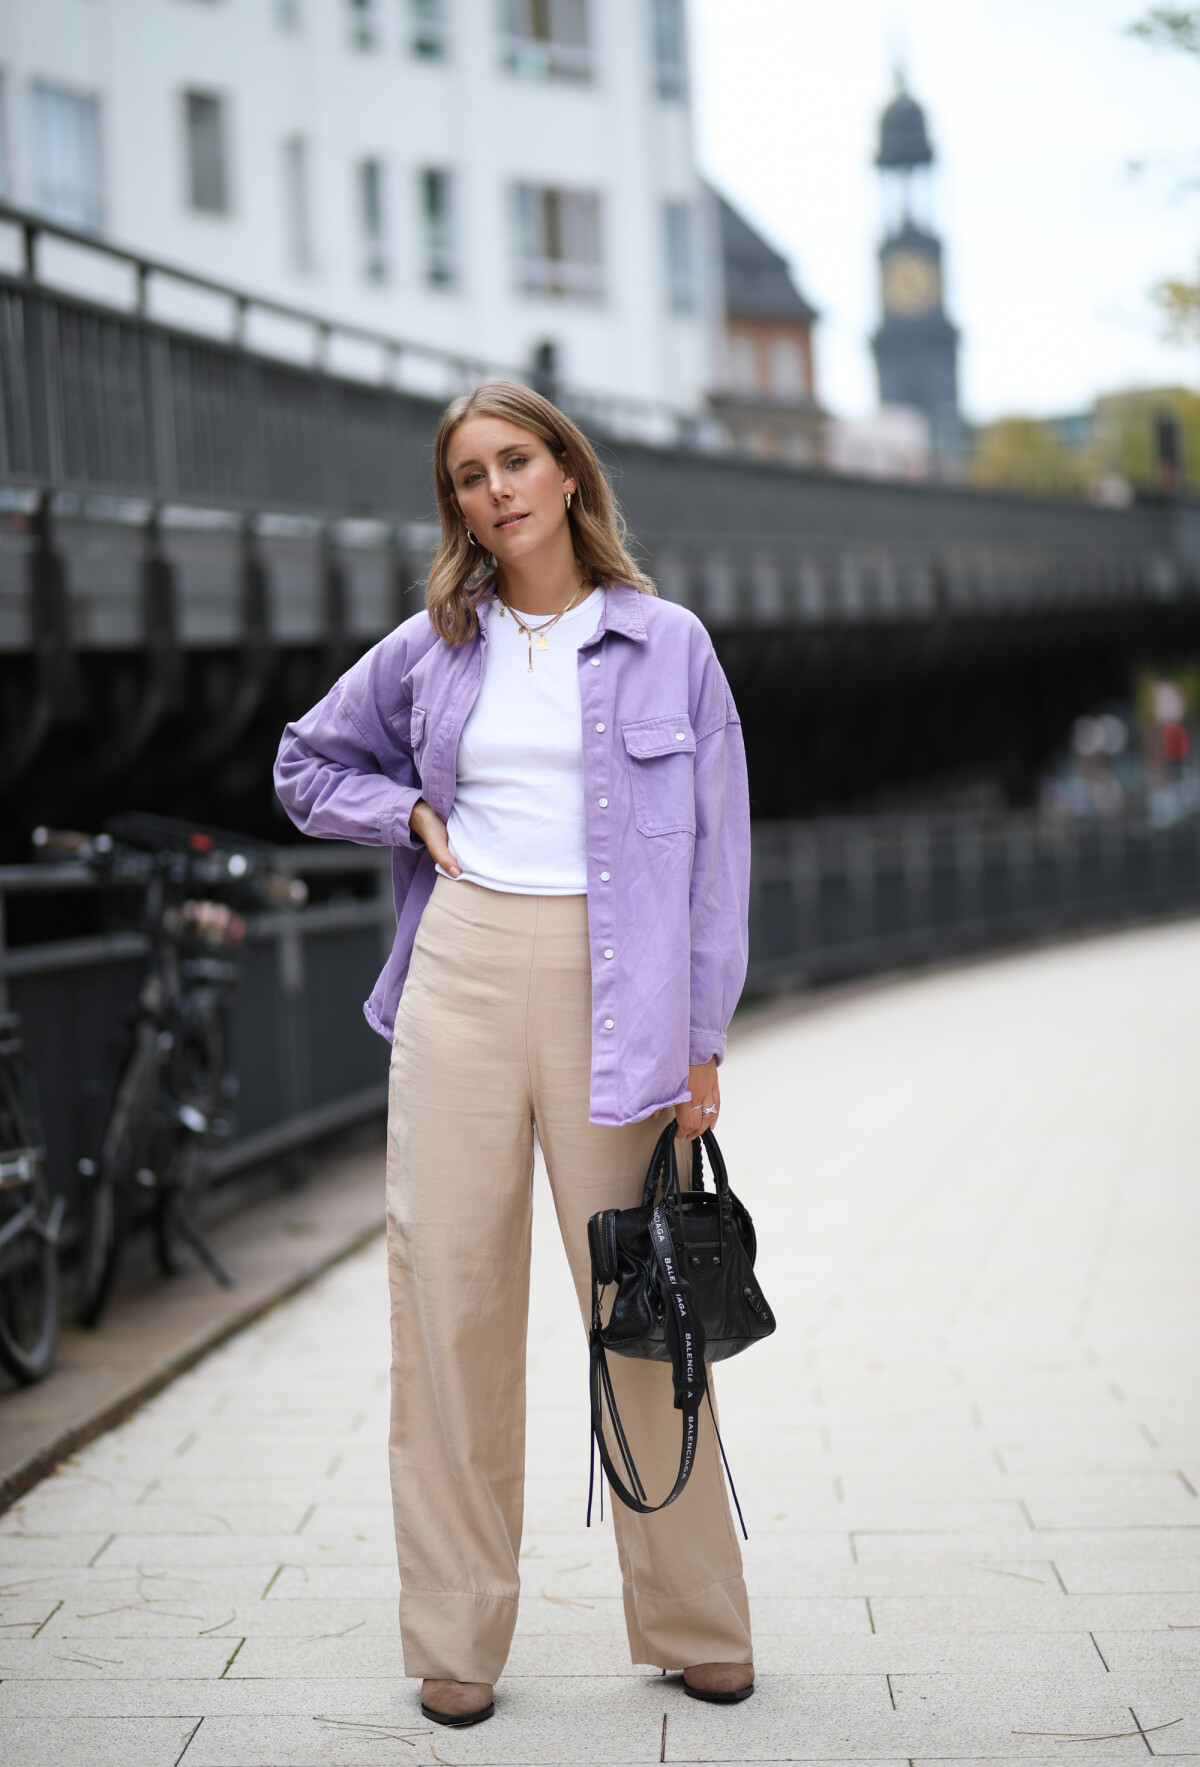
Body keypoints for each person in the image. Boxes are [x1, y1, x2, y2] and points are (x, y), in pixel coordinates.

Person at [274, 380, 754, 1727]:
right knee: (450, 1308)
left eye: (516, 461)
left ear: (566, 471)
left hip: (624, 997)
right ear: (459, 506)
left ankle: (695, 1619)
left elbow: (719, 864)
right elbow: (305, 766)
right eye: (469, 476)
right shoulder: (432, 649)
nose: (496, 490)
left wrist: (702, 1042)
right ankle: (457, 1636)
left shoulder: (669, 644)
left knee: (646, 1308)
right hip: (465, 973)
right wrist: (405, 812)